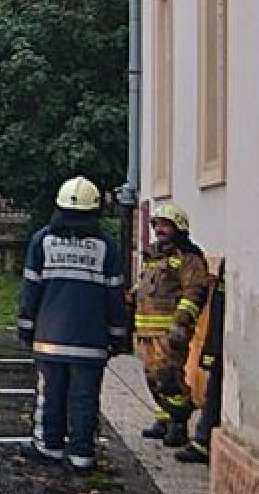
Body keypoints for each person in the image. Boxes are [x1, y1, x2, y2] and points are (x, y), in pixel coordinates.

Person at [16, 176, 127, 473]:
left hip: (49, 339)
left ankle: (49, 446)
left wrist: (25, 327)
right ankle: (82, 455)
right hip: (91, 342)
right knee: (85, 398)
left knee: (49, 395)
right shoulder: (107, 248)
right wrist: (118, 336)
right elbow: (115, 297)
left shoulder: (42, 241)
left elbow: (30, 290)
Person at [133, 202, 210, 448]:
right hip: (146, 332)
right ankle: (164, 419)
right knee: (152, 378)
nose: (160, 230)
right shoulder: (153, 257)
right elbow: (143, 289)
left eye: (166, 225)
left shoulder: (188, 258)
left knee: (169, 378)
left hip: (169, 332)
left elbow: (194, 292)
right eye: (157, 225)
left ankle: (179, 421)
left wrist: (181, 323)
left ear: (179, 227)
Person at [176, 265, 225, 464]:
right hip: (222, 336)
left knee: (214, 388)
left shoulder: (191, 260)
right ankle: (202, 440)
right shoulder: (227, 268)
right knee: (213, 387)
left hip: (225, 337)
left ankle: (201, 440)